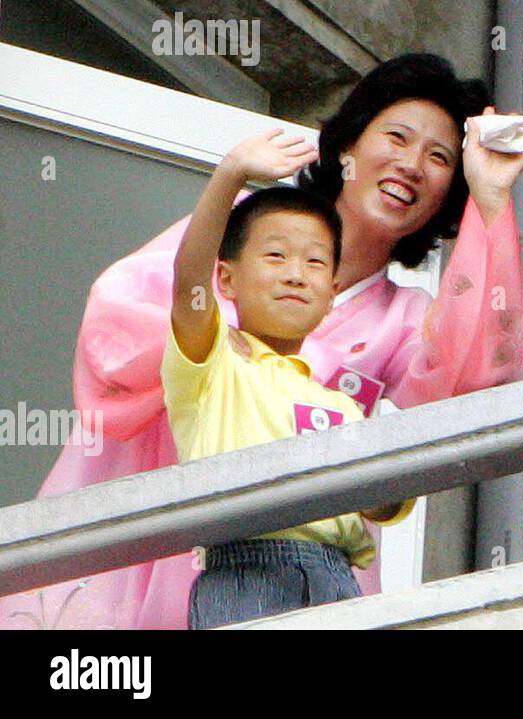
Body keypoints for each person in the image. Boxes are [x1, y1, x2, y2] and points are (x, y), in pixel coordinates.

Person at [2, 54, 523, 629]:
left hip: (311, 573)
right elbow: (119, 318)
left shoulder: (403, 318)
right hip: (174, 547)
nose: (412, 164)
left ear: (444, 197)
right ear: (348, 149)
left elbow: (474, 379)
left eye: (438, 158)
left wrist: (490, 197)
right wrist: (225, 348)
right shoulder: (248, 227)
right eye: (396, 137)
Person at [165, 147, 413, 628]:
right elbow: (187, 283)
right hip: (247, 569)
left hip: (340, 578)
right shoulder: (214, 368)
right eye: (275, 255)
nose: (296, 275)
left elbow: (382, 499)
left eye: (316, 262)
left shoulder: (343, 403)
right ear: (227, 278)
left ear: (332, 295)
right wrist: (231, 174)